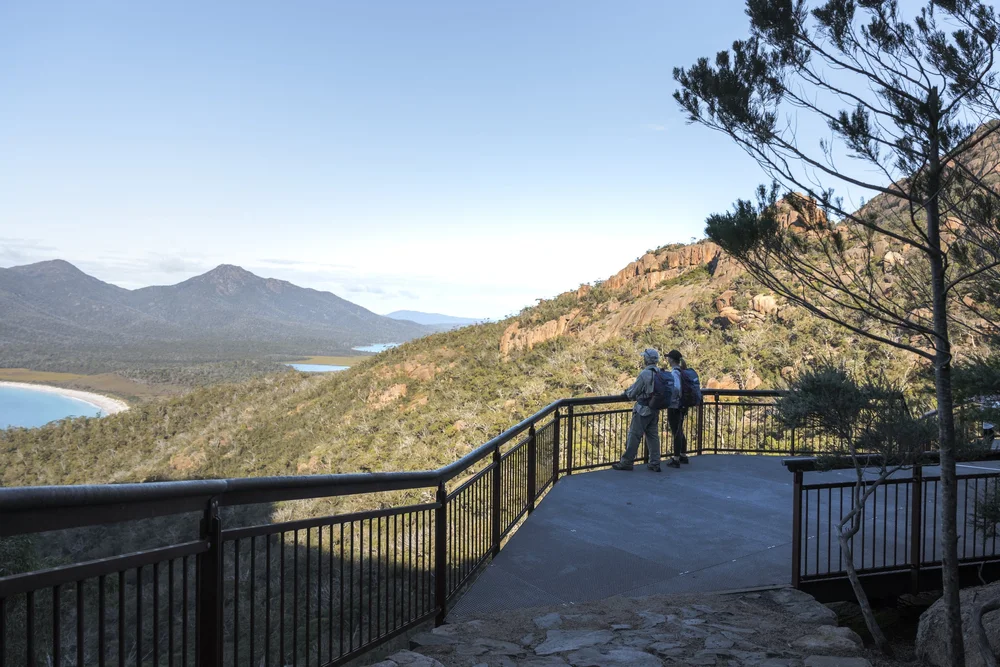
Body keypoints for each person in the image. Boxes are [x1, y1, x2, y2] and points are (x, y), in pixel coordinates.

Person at [612, 348, 663, 472]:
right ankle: (655, 462)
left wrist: (626, 393)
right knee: (653, 436)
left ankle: (627, 462)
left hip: (643, 409)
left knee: (634, 436)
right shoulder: (660, 372)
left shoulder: (645, 374)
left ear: (646, 359)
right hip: (654, 408)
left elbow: (633, 391)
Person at [665, 349, 689, 469]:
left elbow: (676, 389)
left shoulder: (675, 372)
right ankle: (683, 455)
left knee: (676, 432)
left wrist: (671, 400)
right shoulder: (682, 371)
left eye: (668, 357)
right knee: (680, 430)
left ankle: (676, 459)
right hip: (683, 405)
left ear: (671, 359)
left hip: (675, 406)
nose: (667, 359)